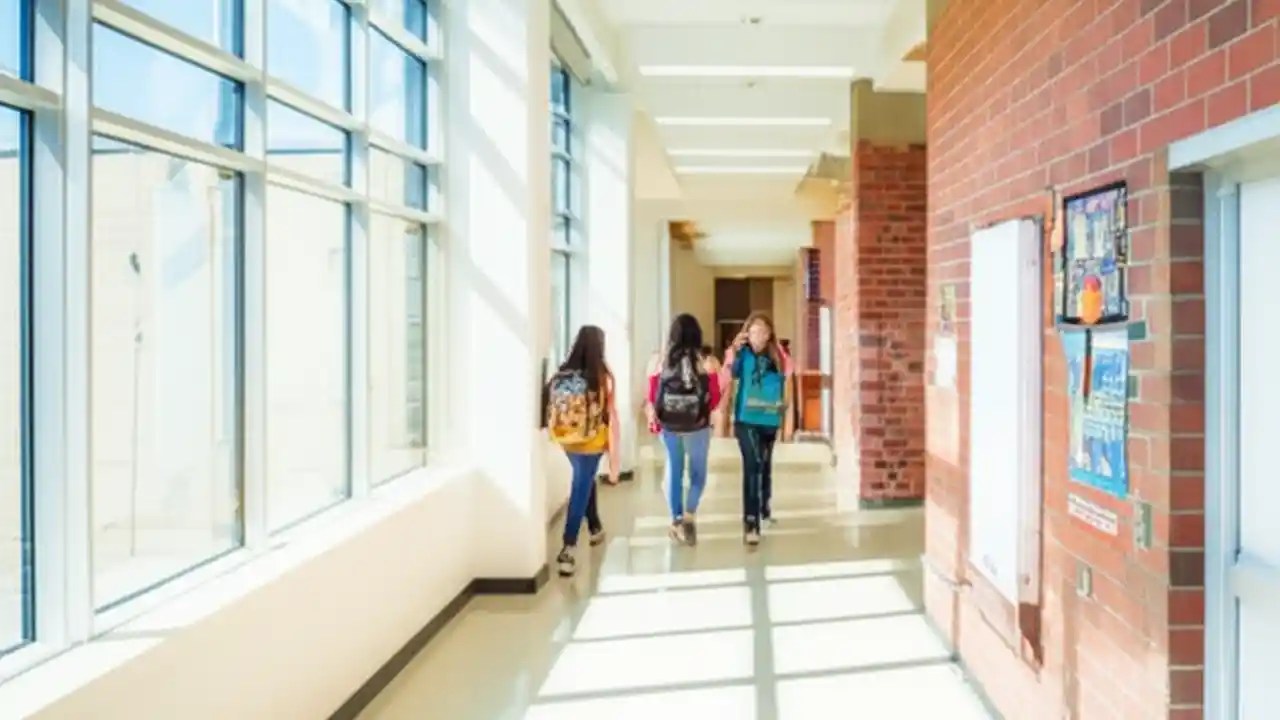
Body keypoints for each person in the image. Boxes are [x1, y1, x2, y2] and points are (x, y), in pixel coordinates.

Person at [544, 326, 620, 576]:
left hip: (567, 439)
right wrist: (614, 452)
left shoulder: (562, 374)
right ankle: (568, 546)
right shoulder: (602, 377)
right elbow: (610, 415)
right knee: (580, 486)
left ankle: (595, 527)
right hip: (591, 441)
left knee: (585, 480)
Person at [646, 315, 727, 545]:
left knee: (674, 470)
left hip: (669, 426)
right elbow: (715, 398)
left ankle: (676, 520)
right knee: (698, 474)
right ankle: (690, 513)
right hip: (698, 426)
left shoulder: (659, 362)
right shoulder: (706, 362)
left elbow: (652, 397)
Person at [724, 312, 792, 545]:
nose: (758, 336)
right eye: (753, 331)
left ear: (770, 333)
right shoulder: (742, 354)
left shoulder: (778, 356)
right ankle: (750, 522)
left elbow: (786, 386)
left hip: (769, 419)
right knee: (752, 465)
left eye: (762, 331)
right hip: (746, 419)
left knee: (764, 464)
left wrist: (786, 420)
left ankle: (764, 505)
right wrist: (734, 350)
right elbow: (732, 375)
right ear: (747, 333)